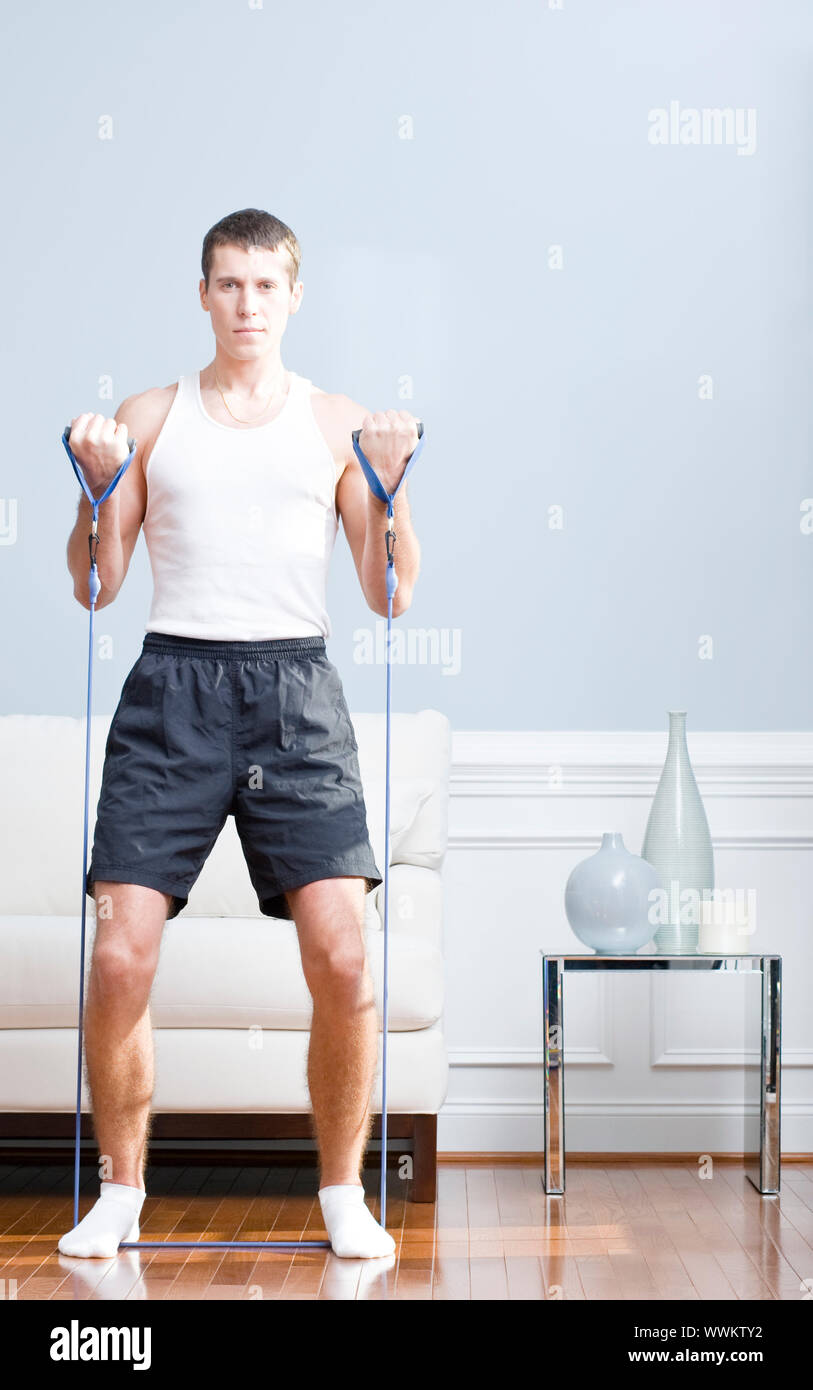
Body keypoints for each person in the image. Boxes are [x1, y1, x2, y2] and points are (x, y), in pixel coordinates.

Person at [58, 207, 422, 1261]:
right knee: (121, 953)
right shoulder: (154, 416)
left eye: (266, 286)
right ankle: (121, 1193)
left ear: (293, 296)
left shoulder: (333, 421)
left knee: (345, 957)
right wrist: (90, 487)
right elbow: (95, 584)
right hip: (171, 686)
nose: (247, 304)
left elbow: (389, 593)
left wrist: (395, 485)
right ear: (204, 293)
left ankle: (345, 1194)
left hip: (294, 693)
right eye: (228, 284)